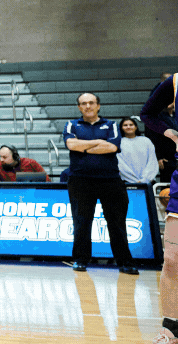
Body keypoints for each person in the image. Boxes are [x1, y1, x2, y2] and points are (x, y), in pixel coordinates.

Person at [64, 92, 136, 274]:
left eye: (91, 103)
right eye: (83, 103)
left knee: (117, 222)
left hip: (110, 180)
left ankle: (125, 262)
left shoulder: (111, 125)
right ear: (79, 107)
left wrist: (84, 146)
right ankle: (80, 260)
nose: (88, 106)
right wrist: (98, 142)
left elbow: (112, 147)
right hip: (80, 181)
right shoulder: (72, 124)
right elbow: (71, 145)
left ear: (98, 105)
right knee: (81, 222)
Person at [142, 75, 178, 344]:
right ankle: (170, 328)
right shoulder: (176, 81)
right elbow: (148, 113)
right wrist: (170, 132)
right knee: (173, 261)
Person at [118, 117, 158, 185]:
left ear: (136, 127)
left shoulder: (146, 141)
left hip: (147, 182)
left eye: (131, 125)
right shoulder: (118, 143)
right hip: (126, 182)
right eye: (125, 125)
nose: (128, 127)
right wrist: (132, 180)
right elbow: (120, 164)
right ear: (121, 128)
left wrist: (145, 179)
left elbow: (152, 161)